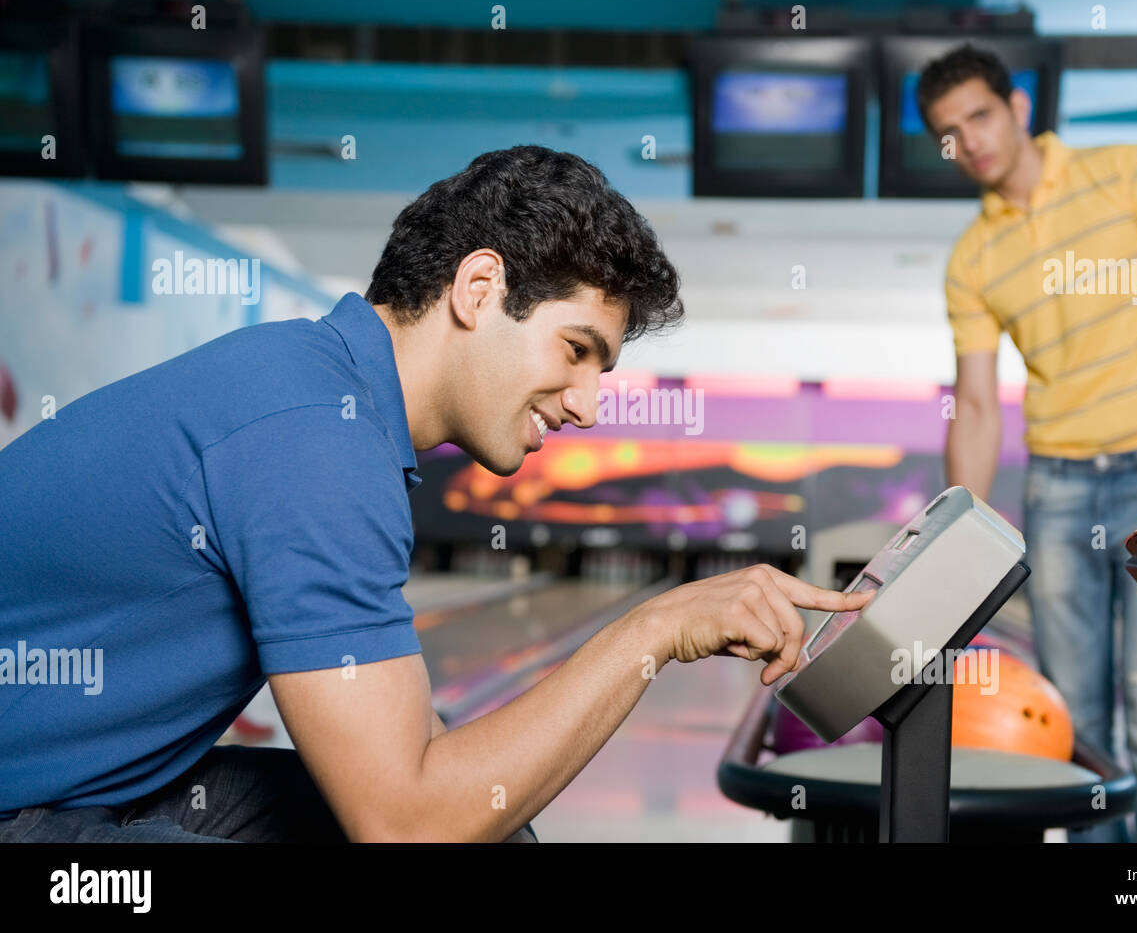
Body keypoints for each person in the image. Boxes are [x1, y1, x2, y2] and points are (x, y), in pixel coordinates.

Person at [0, 145, 875, 843]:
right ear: (478, 289)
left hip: (89, 791)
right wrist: (653, 628)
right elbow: (406, 824)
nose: (588, 405)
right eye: (576, 350)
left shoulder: (319, 394)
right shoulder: (315, 439)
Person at [925, 45, 1137, 842]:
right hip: (1059, 489)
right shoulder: (972, 258)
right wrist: (961, 528)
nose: (971, 141)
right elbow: (976, 404)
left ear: (1019, 107)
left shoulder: (1129, 172)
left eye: (980, 115)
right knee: (1077, 730)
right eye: (949, 132)